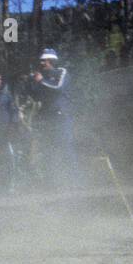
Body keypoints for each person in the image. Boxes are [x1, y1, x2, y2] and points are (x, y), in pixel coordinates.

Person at [31, 48, 76, 187]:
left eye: (44, 60)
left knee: (66, 150)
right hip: (48, 119)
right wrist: (33, 83)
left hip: (61, 118)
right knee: (48, 152)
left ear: (51, 61)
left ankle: (75, 183)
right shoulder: (41, 77)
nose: (42, 63)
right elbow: (36, 96)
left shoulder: (61, 72)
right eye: (41, 61)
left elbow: (58, 87)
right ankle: (52, 184)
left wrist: (41, 80)